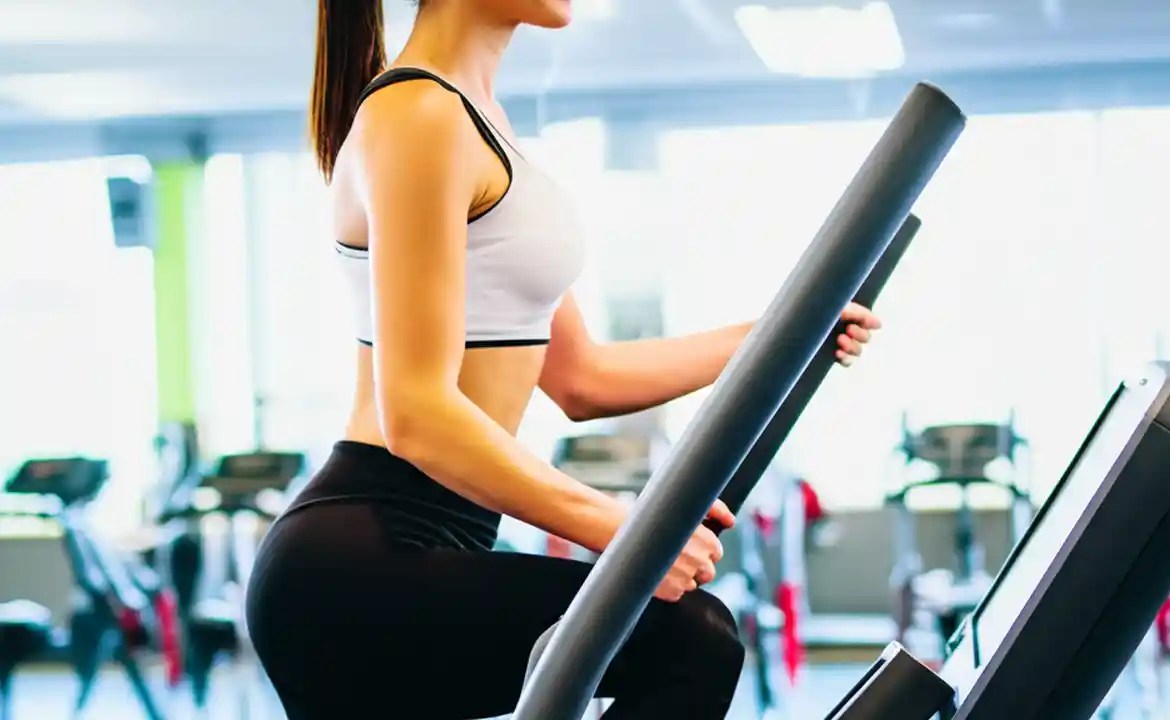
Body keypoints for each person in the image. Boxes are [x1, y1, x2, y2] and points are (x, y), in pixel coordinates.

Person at [244, 1, 882, 718]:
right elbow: (417, 414)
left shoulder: (475, 122)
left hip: (430, 537)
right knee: (692, 640)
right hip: (362, 554)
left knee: (689, 637)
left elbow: (584, 379)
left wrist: (787, 333)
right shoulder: (418, 114)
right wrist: (632, 535)